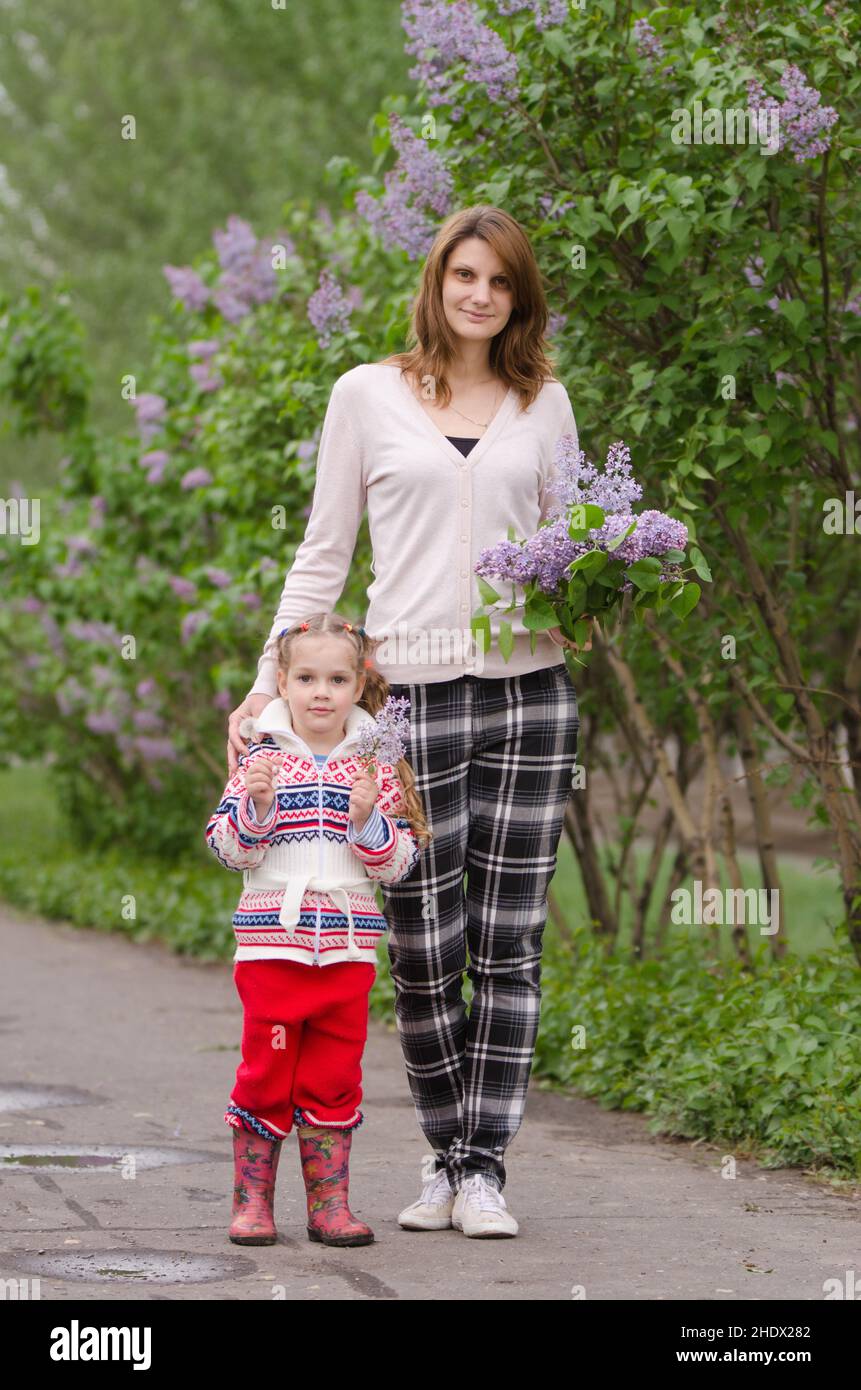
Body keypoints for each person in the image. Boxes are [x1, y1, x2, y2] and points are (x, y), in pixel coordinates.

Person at [227, 203, 592, 1239]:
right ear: (436, 282)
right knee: (426, 940)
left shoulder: (546, 404)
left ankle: (483, 1169)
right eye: (464, 276)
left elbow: (573, 547)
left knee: (511, 944)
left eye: (501, 282)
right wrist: (268, 684)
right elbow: (323, 554)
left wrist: (612, 587)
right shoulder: (368, 397)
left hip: (534, 694)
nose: (479, 295)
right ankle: (440, 1150)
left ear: (519, 299)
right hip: (411, 706)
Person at [207, 612, 429, 1247]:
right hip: (273, 947)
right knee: (266, 1071)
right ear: (282, 682)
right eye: (306, 678)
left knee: (334, 1074)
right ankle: (252, 1203)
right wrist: (257, 806)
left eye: (337, 678)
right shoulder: (262, 756)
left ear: (360, 685)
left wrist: (367, 822)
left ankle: (330, 1205)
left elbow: (398, 863)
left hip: (348, 950)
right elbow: (229, 850)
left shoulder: (377, 765)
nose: (321, 692)